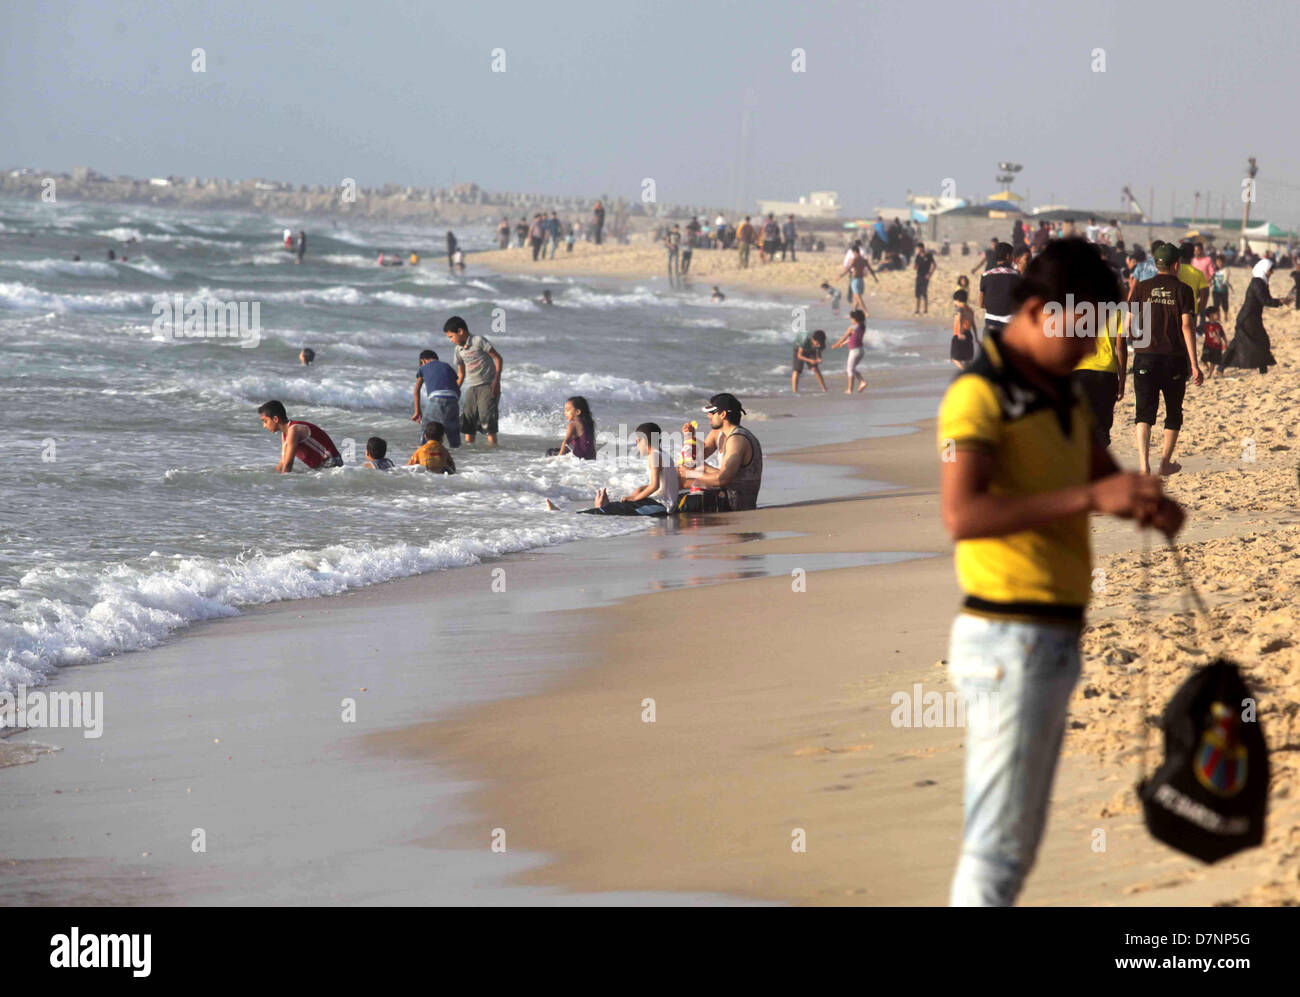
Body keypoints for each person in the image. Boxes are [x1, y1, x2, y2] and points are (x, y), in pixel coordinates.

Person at [937, 237, 1186, 907]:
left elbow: (1099, 473)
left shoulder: (1060, 392)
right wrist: (1089, 499)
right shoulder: (977, 393)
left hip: (1050, 639)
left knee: (1014, 843)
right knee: (997, 851)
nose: (1087, 350)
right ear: (1044, 311)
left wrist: (1142, 498)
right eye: (1083, 332)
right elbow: (962, 514)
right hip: (1007, 640)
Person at [1127, 242, 1203, 475]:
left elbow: (1128, 324)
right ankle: (1164, 463)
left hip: (1145, 357)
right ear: (1176, 264)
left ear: (1155, 263)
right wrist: (1194, 363)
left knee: (1144, 413)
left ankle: (1143, 466)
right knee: (1173, 411)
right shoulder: (1183, 290)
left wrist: (1134, 341)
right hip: (1174, 358)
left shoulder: (1141, 287)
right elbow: (1187, 326)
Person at [550, 423, 678, 516]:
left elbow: (654, 486)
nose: (637, 445)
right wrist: (639, 491)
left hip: (659, 506)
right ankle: (599, 507)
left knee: (608, 511)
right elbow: (661, 484)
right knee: (617, 507)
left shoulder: (654, 455)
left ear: (643, 440)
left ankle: (565, 515)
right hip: (663, 504)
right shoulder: (664, 454)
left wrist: (635, 498)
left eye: (637, 441)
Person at [678, 393, 763, 511]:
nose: (708, 416)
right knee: (677, 475)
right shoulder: (718, 433)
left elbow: (722, 479)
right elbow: (695, 459)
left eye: (711, 413)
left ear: (723, 415)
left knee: (682, 487)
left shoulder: (737, 439)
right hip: (724, 490)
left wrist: (693, 473)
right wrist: (690, 438)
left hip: (735, 502)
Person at [1221, 258, 1291, 375]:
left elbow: (1265, 299)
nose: (1272, 272)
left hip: (1252, 318)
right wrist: (1280, 301)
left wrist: (1280, 301)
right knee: (1253, 341)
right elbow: (1264, 300)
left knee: (1259, 341)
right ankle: (1222, 367)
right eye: (1270, 270)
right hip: (1248, 318)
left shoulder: (1261, 282)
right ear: (1264, 269)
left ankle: (1262, 369)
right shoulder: (1257, 282)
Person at [1072, 299, 1126, 446]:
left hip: (1080, 371)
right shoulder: (1117, 311)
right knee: (1103, 424)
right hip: (1107, 371)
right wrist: (1122, 378)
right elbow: (1120, 347)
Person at [444, 315, 502, 446]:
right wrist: (454, 391)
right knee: (467, 423)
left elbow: (498, 358)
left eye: (451, 336)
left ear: (460, 331)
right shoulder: (458, 349)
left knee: (488, 422)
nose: (451, 340)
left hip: (488, 386)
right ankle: (471, 455)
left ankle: (494, 452)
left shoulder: (478, 341)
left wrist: (496, 381)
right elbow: (461, 374)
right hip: (472, 388)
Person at [257, 400, 343, 472]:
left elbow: (288, 465)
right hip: (321, 468)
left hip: (332, 463)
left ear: (275, 419)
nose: (264, 426)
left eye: (265, 421)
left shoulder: (294, 430)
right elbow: (282, 463)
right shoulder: (285, 434)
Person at [411, 348, 461, 449]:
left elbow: (416, 390)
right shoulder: (447, 366)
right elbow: (457, 388)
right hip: (453, 400)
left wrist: (417, 411)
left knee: (427, 429)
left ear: (423, 361)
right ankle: (457, 458)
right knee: (453, 434)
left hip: (437, 400)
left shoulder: (423, 368)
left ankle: (423, 454)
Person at [978, 242, 1021, 338]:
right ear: (1008, 256)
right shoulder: (1017, 276)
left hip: (990, 323)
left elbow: (981, 304)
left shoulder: (986, 275)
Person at [831, 308, 869, 394]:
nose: (851, 320)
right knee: (852, 368)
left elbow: (845, 336)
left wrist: (836, 344)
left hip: (854, 351)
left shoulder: (852, 328)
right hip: (861, 350)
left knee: (849, 369)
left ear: (856, 319)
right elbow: (852, 338)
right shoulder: (862, 327)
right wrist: (843, 343)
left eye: (851, 319)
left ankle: (850, 389)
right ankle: (862, 382)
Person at [838, 243, 877, 314]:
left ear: (855, 252)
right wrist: (875, 278)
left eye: (853, 252)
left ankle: (866, 312)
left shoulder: (854, 259)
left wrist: (840, 276)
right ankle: (853, 313)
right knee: (856, 299)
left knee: (857, 297)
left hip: (855, 280)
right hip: (861, 281)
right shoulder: (864, 260)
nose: (853, 254)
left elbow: (848, 269)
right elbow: (870, 269)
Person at [1177, 242, 1210, 328]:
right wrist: (1198, 310)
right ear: (1192, 255)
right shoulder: (1198, 274)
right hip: (1191, 310)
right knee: (1189, 339)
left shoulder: (1174, 271)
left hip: (1174, 308)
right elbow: (1205, 296)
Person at [791, 329, 828, 394]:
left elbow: (819, 350)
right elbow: (799, 356)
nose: (819, 345)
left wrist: (819, 358)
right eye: (817, 343)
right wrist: (810, 360)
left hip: (811, 349)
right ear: (813, 340)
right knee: (797, 370)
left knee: (815, 368)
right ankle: (794, 391)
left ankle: (824, 388)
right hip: (798, 349)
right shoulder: (805, 339)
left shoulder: (821, 343)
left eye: (820, 343)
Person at [951, 290, 976, 369]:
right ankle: (969, 373)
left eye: (954, 300)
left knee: (955, 358)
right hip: (969, 334)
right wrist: (976, 337)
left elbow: (960, 318)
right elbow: (973, 324)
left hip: (959, 334)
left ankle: (966, 372)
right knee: (967, 359)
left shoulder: (960, 309)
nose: (954, 302)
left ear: (958, 299)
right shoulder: (970, 310)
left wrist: (959, 333)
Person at [1200, 305, 1227, 377]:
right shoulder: (1206, 325)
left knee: (1213, 361)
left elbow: (1223, 334)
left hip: (1217, 347)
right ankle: (1207, 368)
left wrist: (1225, 341)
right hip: (1207, 345)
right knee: (1204, 359)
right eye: (1217, 314)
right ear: (1211, 315)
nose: (1219, 315)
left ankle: (1210, 374)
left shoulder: (1218, 325)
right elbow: (1199, 332)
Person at [914, 242, 936, 314]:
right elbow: (915, 266)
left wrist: (930, 274)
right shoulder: (917, 256)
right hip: (919, 276)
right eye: (917, 248)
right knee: (917, 293)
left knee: (924, 292)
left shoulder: (929, 255)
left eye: (918, 248)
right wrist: (915, 267)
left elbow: (934, 265)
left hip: (925, 276)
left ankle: (925, 310)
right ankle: (917, 309)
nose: (918, 250)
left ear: (922, 248)